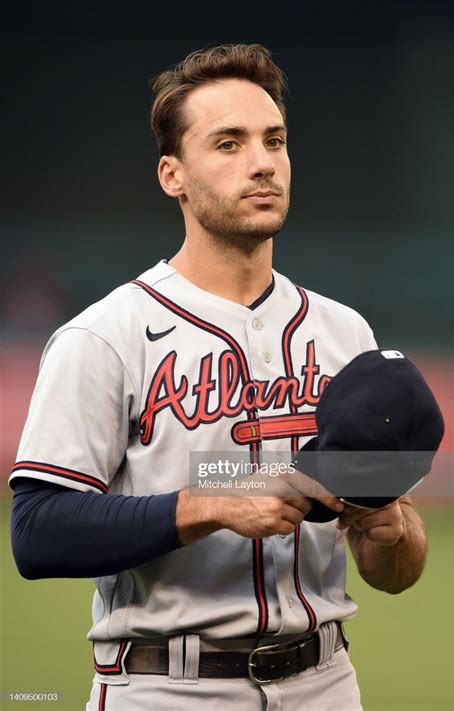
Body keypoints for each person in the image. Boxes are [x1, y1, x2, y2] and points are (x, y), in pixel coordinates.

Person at [9, 43, 428, 710]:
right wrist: (212, 502)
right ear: (172, 174)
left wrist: (394, 535)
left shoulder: (345, 333)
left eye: (274, 140)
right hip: (163, 686)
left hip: (326, 682)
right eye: (228, 143)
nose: (262, 163)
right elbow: (37, 531)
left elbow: (395, 572)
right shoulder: (106, 335)